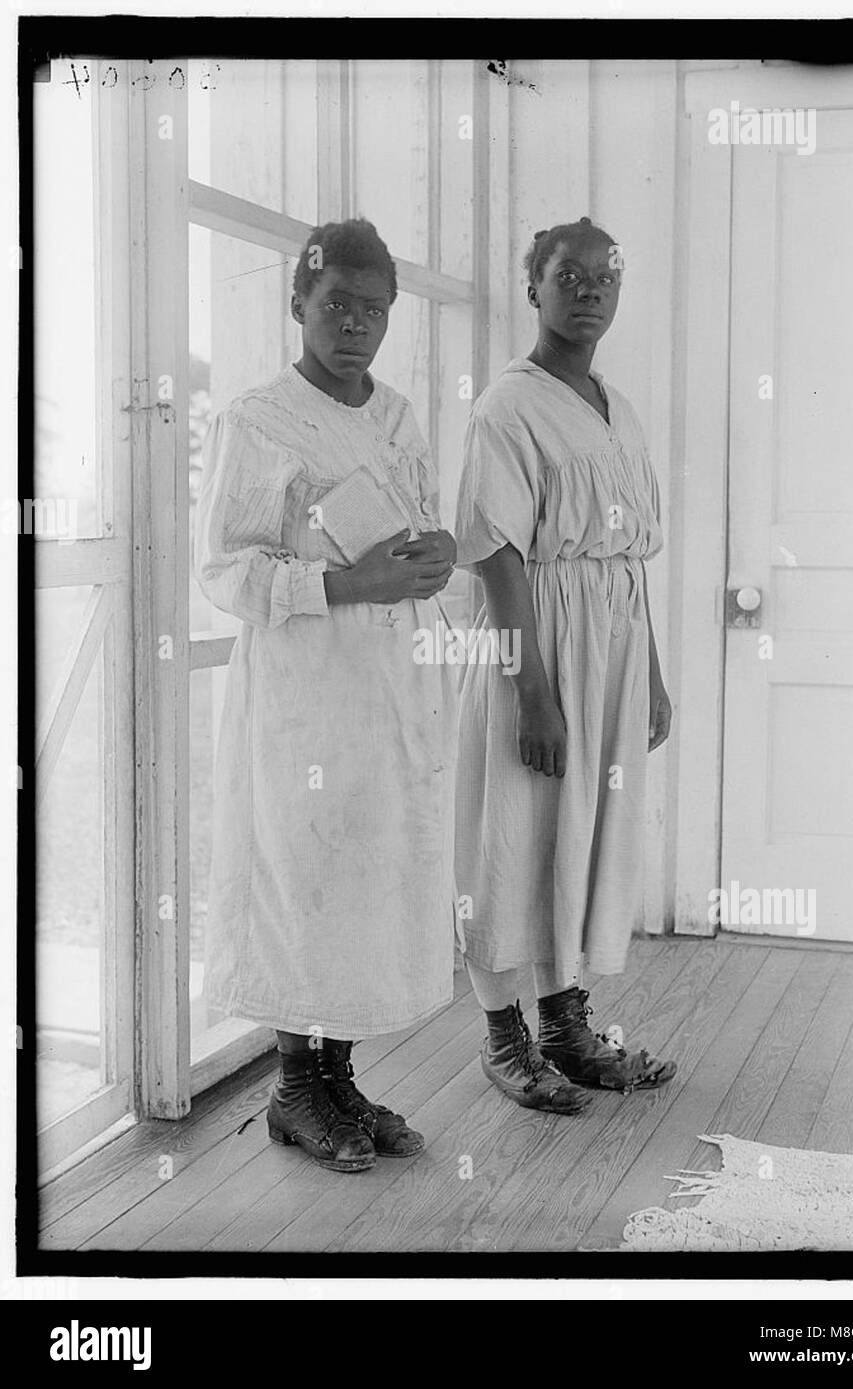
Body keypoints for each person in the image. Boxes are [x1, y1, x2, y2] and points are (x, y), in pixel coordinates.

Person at [195, 218, 457, 1172]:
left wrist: (434, 558)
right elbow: (224, 571)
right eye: (337, 303)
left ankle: (337, 1075)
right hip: (303, 687)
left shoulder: (395, 415)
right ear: (298, 303)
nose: (355, 323)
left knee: (366, 876)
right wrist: (347, 585)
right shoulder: (255, 419)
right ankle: (293, 1087)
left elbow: (417, 527)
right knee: (302, 872)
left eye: (374, 309)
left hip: (386, 684)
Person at [453, 216, 678, 1114]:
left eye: (605, 279)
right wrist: (532, 692)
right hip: (537, 642)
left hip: (614, 644)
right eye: (568, 276)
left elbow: (629, 560)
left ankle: (567, 1025)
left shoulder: (618, 407)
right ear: (533, 286)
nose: (588, 291)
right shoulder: (507, 406)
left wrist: (652, 671)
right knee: (514, 829)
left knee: (582, 832)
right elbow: (499, 555)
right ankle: (505, 1037)